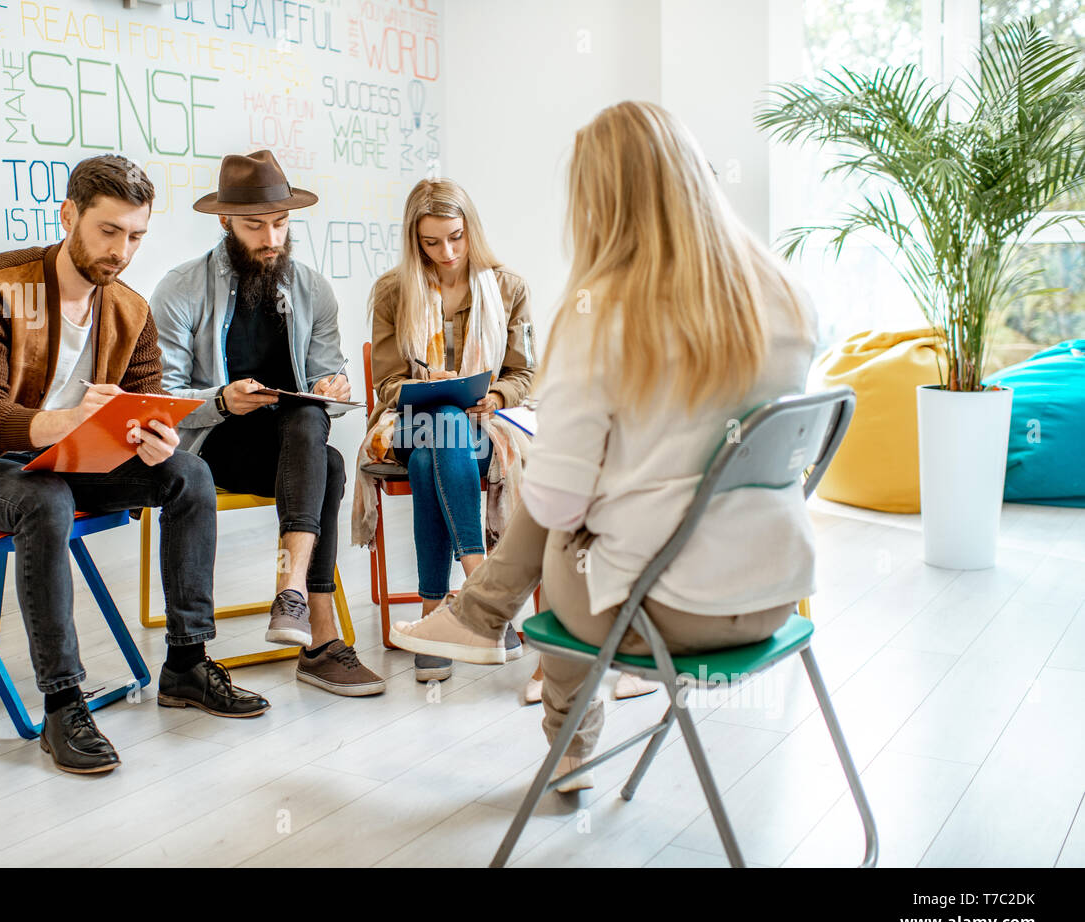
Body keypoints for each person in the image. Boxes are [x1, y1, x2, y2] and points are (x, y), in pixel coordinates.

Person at [389, 101, 818, 791]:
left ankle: (565, 738)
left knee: (561, 530)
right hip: (775, 594)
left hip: (666, 609)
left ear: (602, 201)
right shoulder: (790, 296)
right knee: (577, 513)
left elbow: (558, 502)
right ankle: (479, 613)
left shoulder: (605, 313)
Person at [0, 155, 269, 776]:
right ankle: (62, 703)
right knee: (42, 498)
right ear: (69, 215)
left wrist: (152, 439)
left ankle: (186, 663)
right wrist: (69, 419)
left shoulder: (129, 309)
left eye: (135, 236)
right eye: (108, 232)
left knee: (188, 474)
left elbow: (144, 404)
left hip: (70, 461)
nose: (122, 251)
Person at [152, 150, 386, 698]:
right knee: (324, 461)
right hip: (213, 447)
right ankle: (319, 639)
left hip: (290, 448)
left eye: (281, 224)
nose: (272, 238)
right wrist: (224, 401)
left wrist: (335, 387)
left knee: (312, 425)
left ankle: (291, 592)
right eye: (255, 225)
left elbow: (329, 373)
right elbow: (161, 402)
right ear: (224, 222)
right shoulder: (180, 290)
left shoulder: (312, 289)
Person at [352, 179, 536, 684]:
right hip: (407, 423)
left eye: (455, 237)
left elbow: (523, 374)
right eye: (431, 243)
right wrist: (430, 388)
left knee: (436, 446)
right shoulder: (393, 291)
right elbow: (388, 383)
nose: (447, 252)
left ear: (470, 229)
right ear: (415, 240)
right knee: (442, 421)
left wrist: (495, 396)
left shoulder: (507, 287)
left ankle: (436, 614)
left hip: (483, 428)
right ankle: (483, 595)